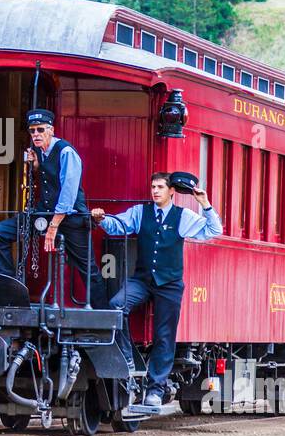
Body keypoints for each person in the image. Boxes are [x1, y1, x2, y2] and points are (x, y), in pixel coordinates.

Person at [91, 171, 223, 409]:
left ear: (171, 191)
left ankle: (155, 390)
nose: (155, 191)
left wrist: (204, 203)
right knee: (116, 305)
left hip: (170, 284)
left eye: (160, 187)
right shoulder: (141, 212)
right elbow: (117, 226)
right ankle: (127, 358)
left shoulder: (182, 216)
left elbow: (214, 231)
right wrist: (101, 219)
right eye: (153, 187)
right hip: (142, 280)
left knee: (164, 336)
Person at [0, 109, 105, 308]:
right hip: (44, 214)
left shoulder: (66, 152)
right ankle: (9, 289)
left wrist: (53, 227)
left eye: (40, 129)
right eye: (32, 130)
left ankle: (105, 315)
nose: (35, 134)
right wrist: (35, 166)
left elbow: (67, 194)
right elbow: (46, 180)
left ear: (51, 130)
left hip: (71, 218)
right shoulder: (40, 152)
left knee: (88, 269)